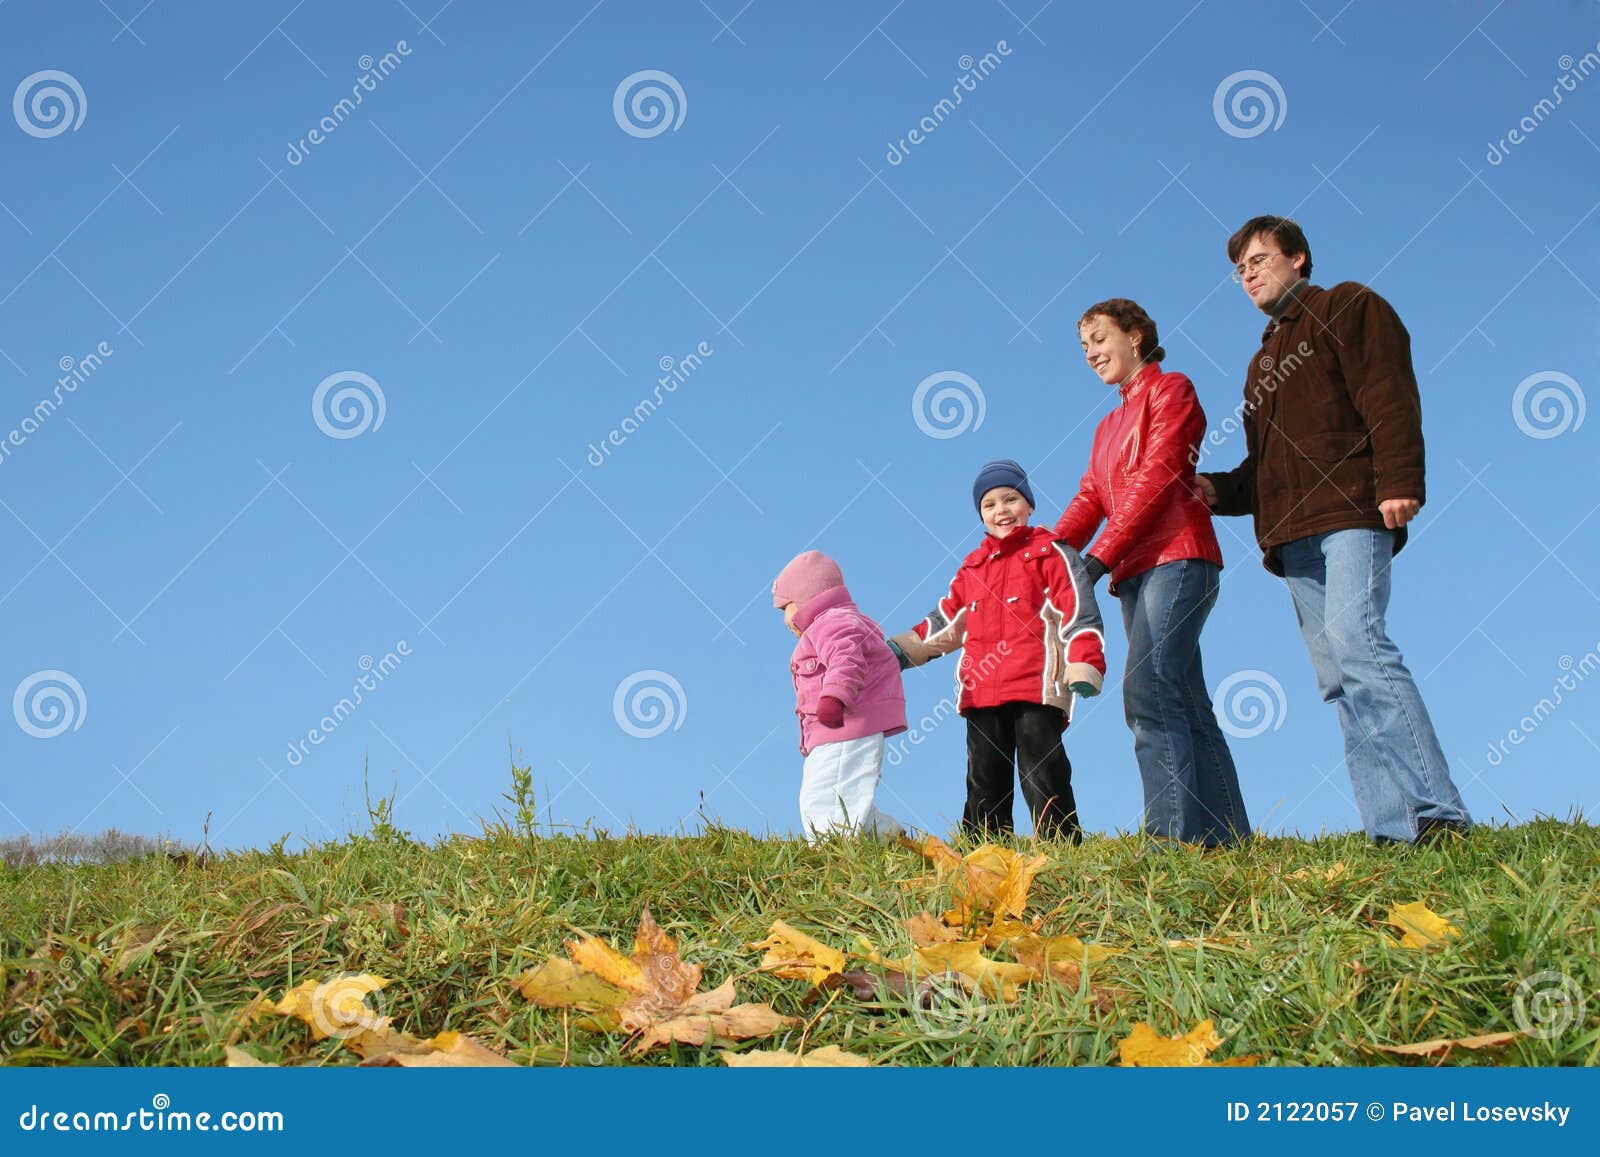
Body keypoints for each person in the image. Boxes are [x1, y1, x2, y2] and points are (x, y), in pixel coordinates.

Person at [1195, 215, 1472, 846]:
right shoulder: (1261, 362)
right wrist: (1220, 491)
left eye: (1260, 259)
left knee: (1360, 644)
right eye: (1240, 269)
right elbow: (1265, 465)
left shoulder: (1349, 306)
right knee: (1339, 680)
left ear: (1298, 259)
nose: (1248, 274)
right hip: (1292, 535)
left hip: (1352, 509)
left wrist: (1400, 479)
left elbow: (1389, 394)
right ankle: (1393, 829)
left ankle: (1440, 812)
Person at [1055, 299, 1251, 847]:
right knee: (1184, 696)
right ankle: (1226, 838)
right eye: (1084, 345)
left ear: (1136, 336)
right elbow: (1092, 495)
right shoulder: (1108, 425)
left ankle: (1167, 839)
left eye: (1099, 338)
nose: (1092, 353)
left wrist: (1096, 559)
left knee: (1147, 687)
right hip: (1132, 571)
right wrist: (1045, 554)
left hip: (1178, 556)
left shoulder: (1174, 391)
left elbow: (1158, 476)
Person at [889, 460, 1106, 841]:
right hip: (982, 689)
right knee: (984, 774)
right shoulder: (974, 567)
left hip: (1036, 686)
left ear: (1029, 505)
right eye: (989, 504)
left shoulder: (1051, 554)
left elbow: (1078, 611)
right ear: (981, 514)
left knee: (1043, 769)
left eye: (1010, 499)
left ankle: (1060, 845)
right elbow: (947, 622)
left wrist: (1084, 662)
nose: (1001, 510)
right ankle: (984, 849)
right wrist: (899, 651)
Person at [773, 550, 907, 842]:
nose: (784, 619)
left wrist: (834, 697)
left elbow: (846, 658)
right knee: (841, 792)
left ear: (807, 597)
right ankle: (887, 837)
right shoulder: (827, 626)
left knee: (825, 795)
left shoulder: (834, 622)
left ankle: (833, 856)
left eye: (785, 607)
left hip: (845, 726)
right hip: (834, 731)